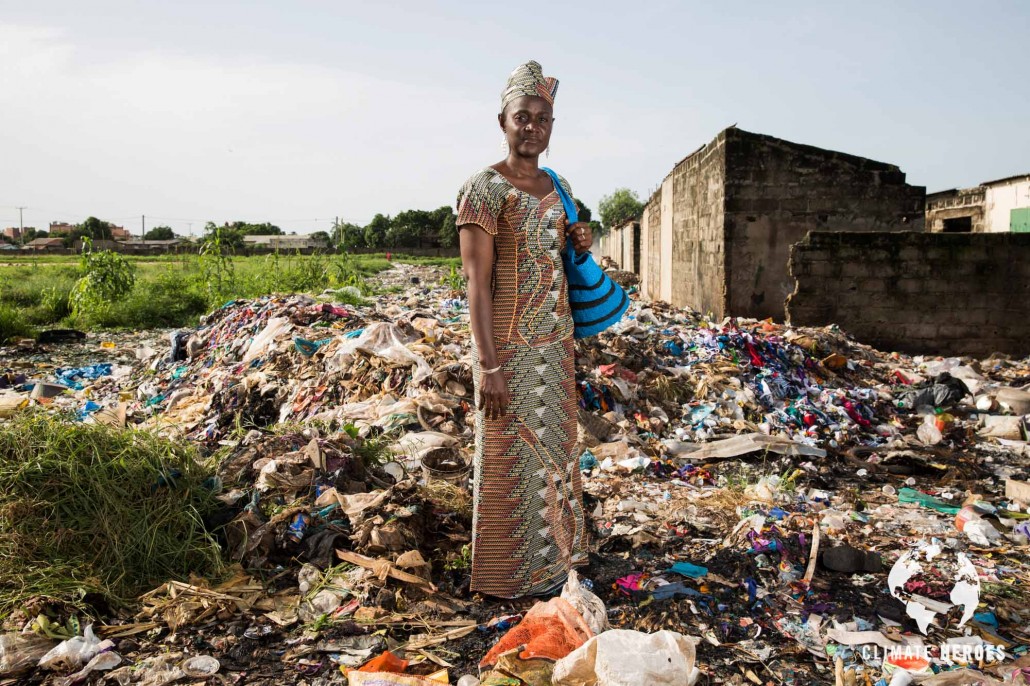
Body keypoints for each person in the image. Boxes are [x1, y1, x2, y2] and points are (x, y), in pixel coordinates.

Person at [455, 61, 593, 598]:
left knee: (556, 456)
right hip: (507, 350)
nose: (532, 127)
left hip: (555, 348)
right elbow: (477, 283)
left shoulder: (560, 187)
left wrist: (579, 240)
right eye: (522, 117)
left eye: (543, 118)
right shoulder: (483, 189)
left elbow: (560, 258)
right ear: (503, 122)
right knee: (507, 458)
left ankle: (555, 566)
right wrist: (489, 366)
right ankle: (504, 578)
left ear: (552, 126)